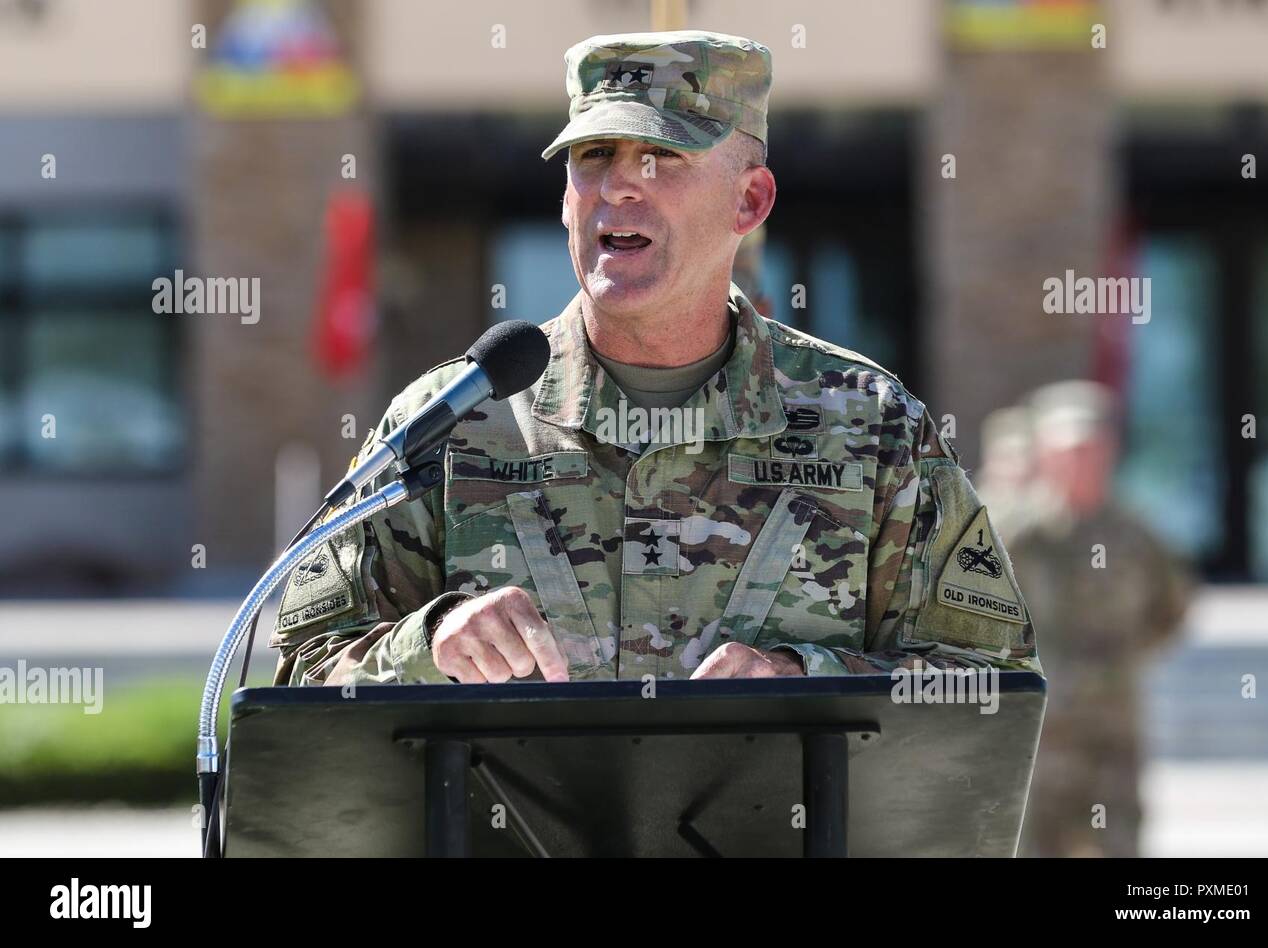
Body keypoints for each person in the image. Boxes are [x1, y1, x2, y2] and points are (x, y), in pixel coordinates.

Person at [270, 30, 1041, 690]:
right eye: (594, 154)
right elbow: (298, 673)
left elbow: (989, 684)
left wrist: (805, 684)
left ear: (751, 202)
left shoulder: (869, 427)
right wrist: (428, 645)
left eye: (663, 156)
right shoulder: (454, 420)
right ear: (566, 198)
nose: (618, 186)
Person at [1009, 380, 1194, 857]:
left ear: (1110, 454)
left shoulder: (1137, 535)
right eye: (1068, 451)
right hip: (1037, 734)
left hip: (1112, 730)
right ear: (1045, 456)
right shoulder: (1013, 536)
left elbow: (1172, 608)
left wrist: (1121, 666)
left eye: (1091, 450)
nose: (1081, 463)